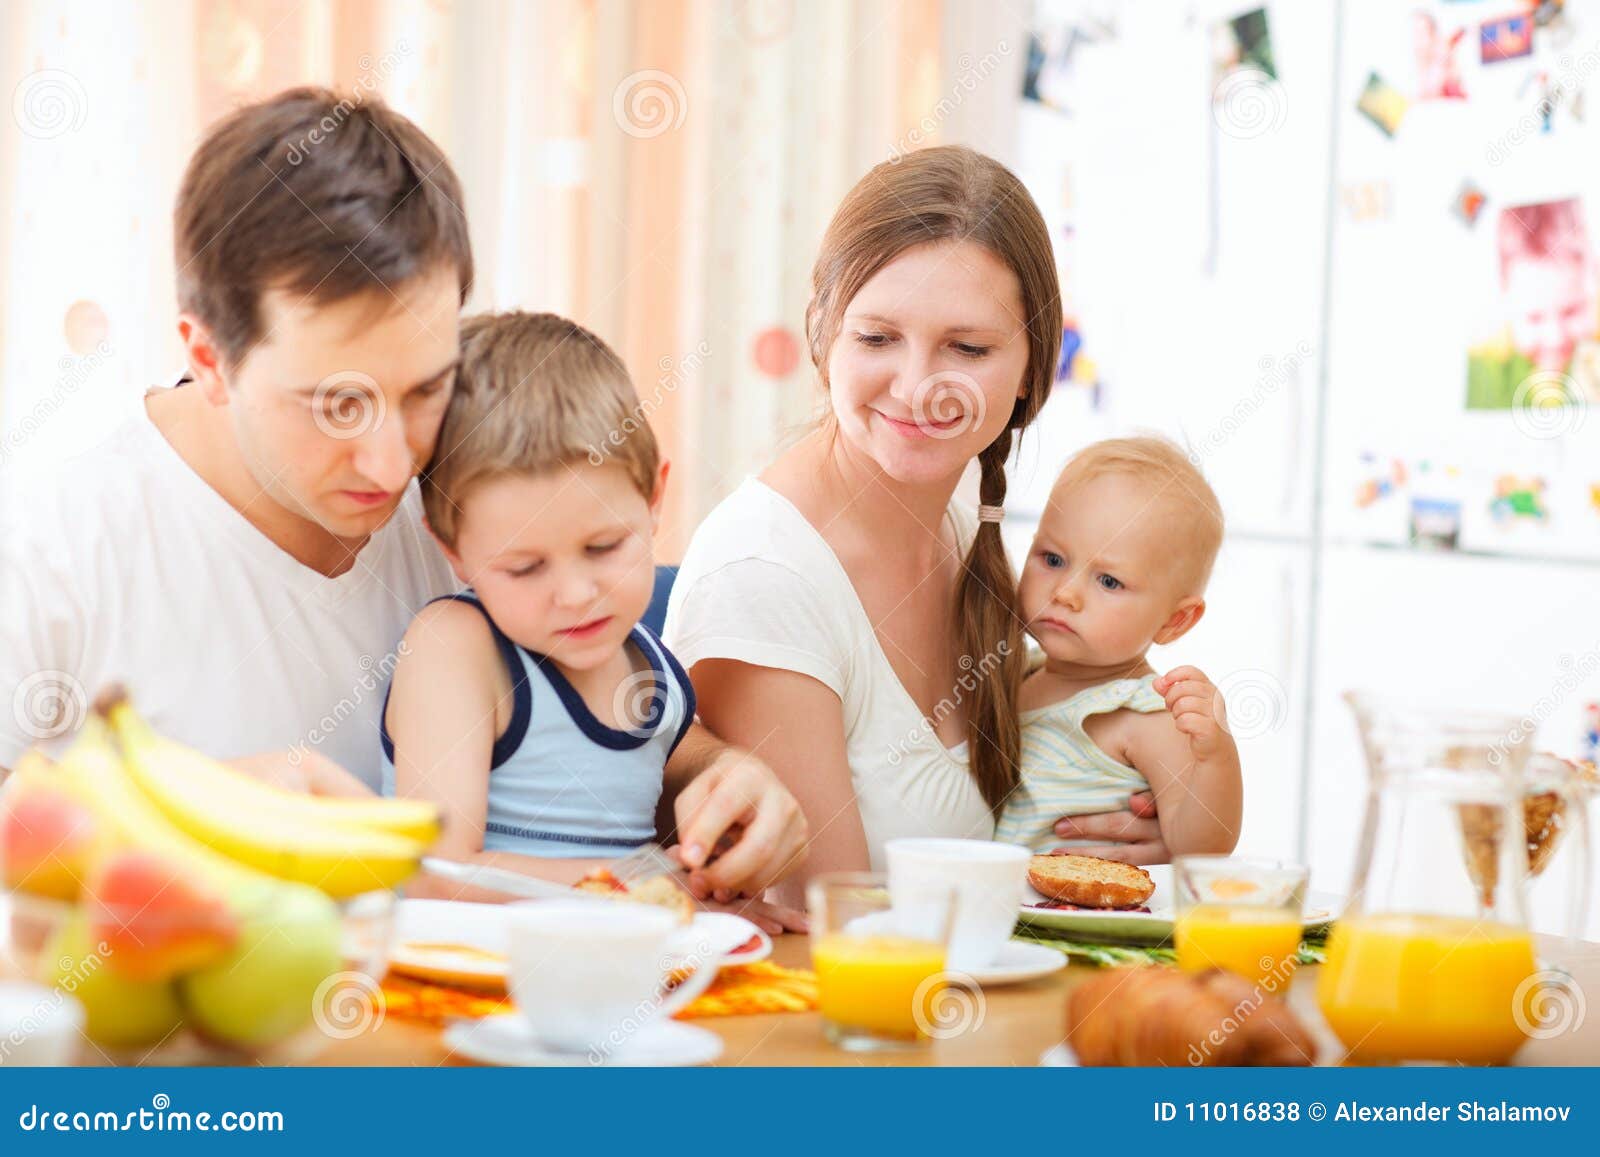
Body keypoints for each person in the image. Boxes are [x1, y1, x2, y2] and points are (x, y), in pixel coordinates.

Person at [0, 88, 805, 899]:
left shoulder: (473, 500)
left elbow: (598, 712)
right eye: (335, 404)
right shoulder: (48, 549)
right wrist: (178, 818)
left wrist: (725, 776)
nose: (392, 467)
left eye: (425, 387)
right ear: (209, 359)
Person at [664, 147, 1225, 903]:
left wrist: (1153, 799)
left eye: (967, 347)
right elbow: (830, 929)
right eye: (876, 338)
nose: (920, 386)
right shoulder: (765, 576)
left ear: (1033, 367)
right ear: (824, 332)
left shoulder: (966, 538)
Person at [380, 313, 804, 927]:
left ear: (654, 498)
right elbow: (437, 875)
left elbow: (689, 808)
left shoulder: (651, 667)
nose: (577, 594)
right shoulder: (459, 648)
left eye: (605, 547)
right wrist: (647, 889)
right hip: (468, 992)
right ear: (453, 551)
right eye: (524, 567)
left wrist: (714, 886)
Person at [994, 437, 1243, 855]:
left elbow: (1200, 849)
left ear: (1174, 620)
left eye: (1109, 581)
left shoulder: (1146, 712)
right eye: (1053, 559)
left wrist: (1216, 757)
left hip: (1083, 919)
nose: (1066, 593)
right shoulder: (1017, 672)